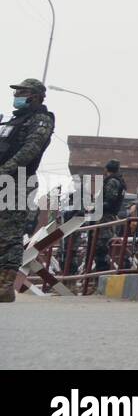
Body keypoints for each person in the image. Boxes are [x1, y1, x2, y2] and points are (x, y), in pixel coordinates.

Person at [0, 79, 55, 302]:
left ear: (35, 96)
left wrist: (6, 170)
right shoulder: (14, 121)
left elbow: (30, 149)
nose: (17, 95)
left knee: (9, 235)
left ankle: (5, 286)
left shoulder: (40, 120)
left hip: (18, 181)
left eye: (22, 92)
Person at [92, 159, 127, 271]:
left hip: (105, 218)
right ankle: (100, 275)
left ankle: (101, 275)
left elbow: (109, 202)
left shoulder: (112, 181)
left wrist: (94, 207)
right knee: (101, 248)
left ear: (106, 169)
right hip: (106, 217)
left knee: (101, 248)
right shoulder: (117, 181)